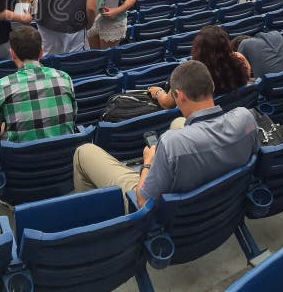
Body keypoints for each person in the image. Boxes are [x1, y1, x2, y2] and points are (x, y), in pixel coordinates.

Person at [73, 60, 259, 207]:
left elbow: (143, 200)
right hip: (223, 199)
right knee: (179, 122)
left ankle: (94, 215)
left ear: (180, 95)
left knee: (84, 152)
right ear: (212, 86)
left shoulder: (171, 143)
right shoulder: (246, 118)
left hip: (167, 213)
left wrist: (148, 164)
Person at [0, 26, 76, 143]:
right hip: (64, 156)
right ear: (41, 52)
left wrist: (3, 128)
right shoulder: (65, 78)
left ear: (12, 54)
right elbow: (73, 118)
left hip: (21, 159)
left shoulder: (0, 87)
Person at [150, 26, 250, 112]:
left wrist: (158, 92)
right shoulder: (240, 59)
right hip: (235, 109)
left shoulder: (190, 73)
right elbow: (247, 78)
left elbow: (167, 104)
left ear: (198, 49)